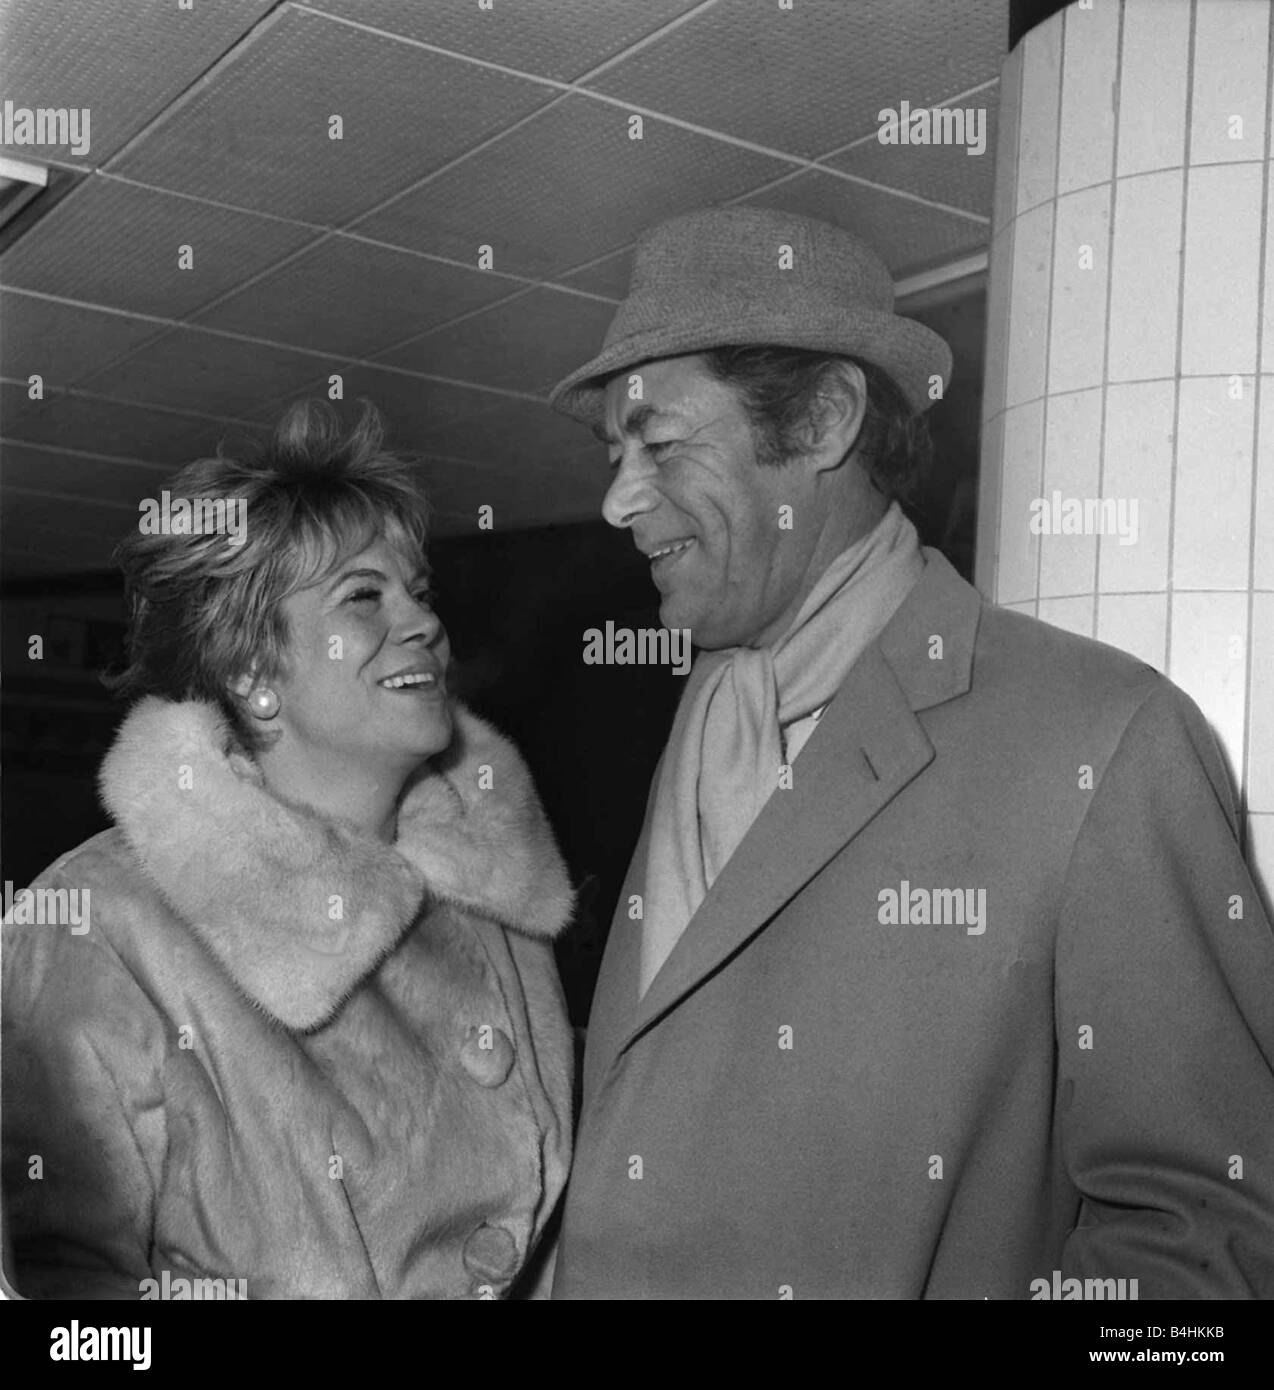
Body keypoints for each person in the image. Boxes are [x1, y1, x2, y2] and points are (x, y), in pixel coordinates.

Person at [544, 206, 1274, 1299]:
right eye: (612, 455)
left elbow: (1221, 1230)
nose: (615, 500)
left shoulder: (1103, 740)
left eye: (656, 443)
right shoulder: (703, 709)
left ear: (826, 418)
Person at [1, 402, 574, 1300]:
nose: (423, 622)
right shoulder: (102, 922)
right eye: (364, 596)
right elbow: (68, 1301)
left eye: (419, 590)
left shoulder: (495, 899)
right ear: (254, 676)